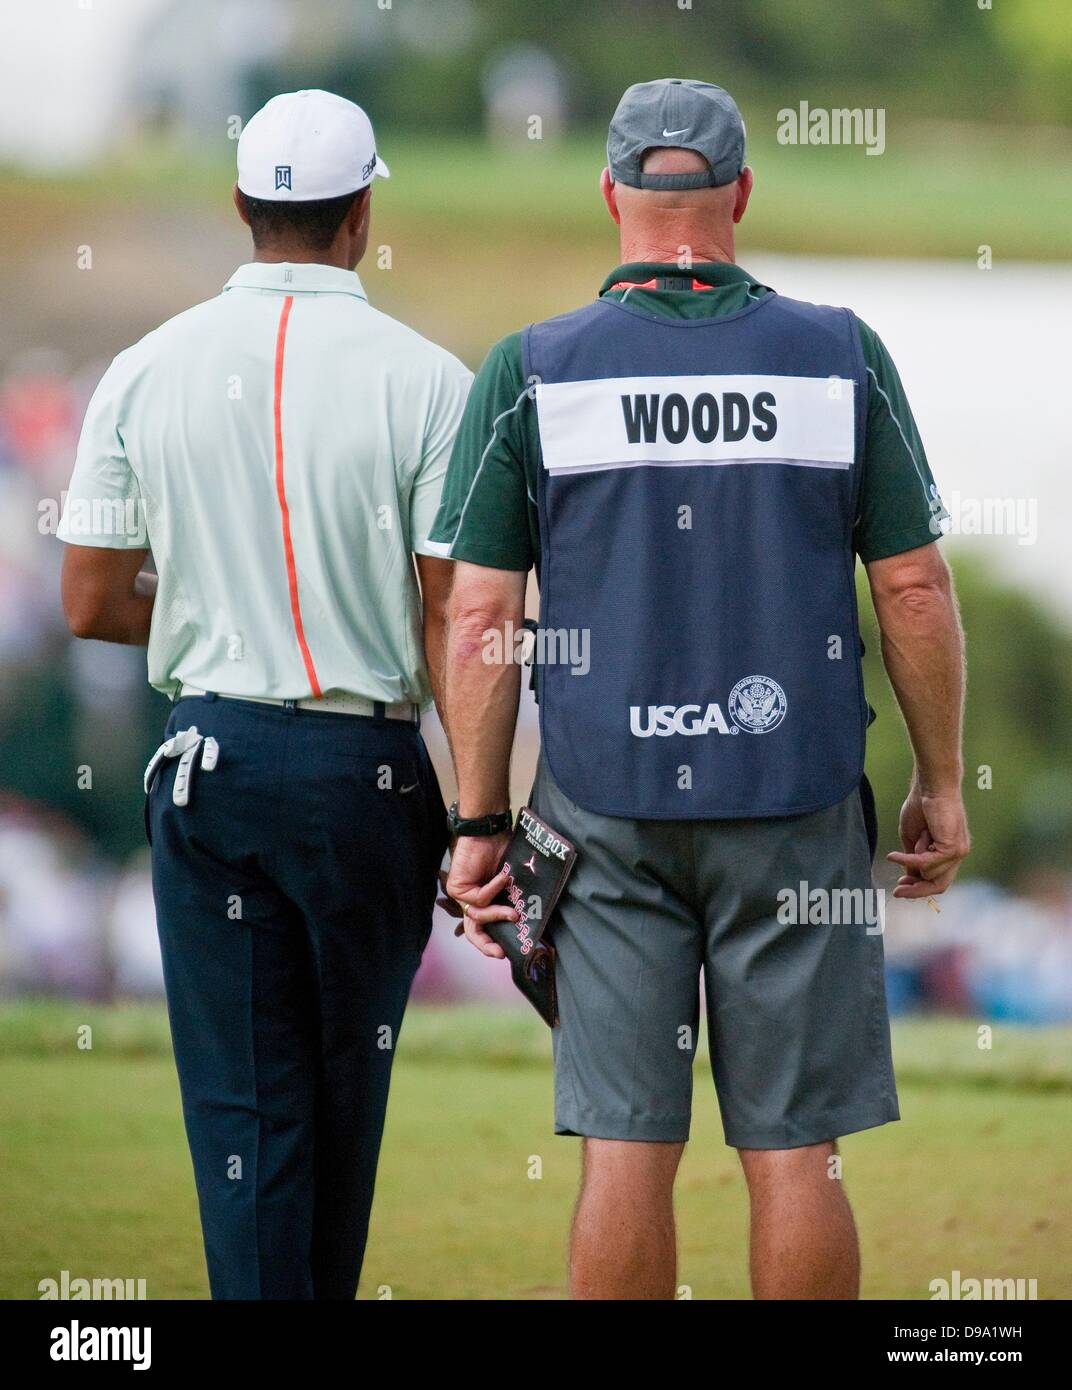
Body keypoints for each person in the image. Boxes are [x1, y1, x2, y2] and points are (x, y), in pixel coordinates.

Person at [432, 78, 969, 1300]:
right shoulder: (838, 355)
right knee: (796, 1153)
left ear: (610, 192)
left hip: (600, 811)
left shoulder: (533, 368)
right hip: (793, 798)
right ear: (739, 193)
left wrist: (472, 822)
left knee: (626, 1142)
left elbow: (477, 618)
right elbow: (916, 590)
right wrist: (940, 781)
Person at [58, 90, 471, 1299]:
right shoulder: (431, 379)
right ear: (363, 216)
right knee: (346, 1101)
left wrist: (207, 612)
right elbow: (454, 616)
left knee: (247, 1116)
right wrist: (490, 811)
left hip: (212, 760)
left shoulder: (144, 367)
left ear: (242, 207)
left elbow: (88, 599)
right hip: (370, 774)